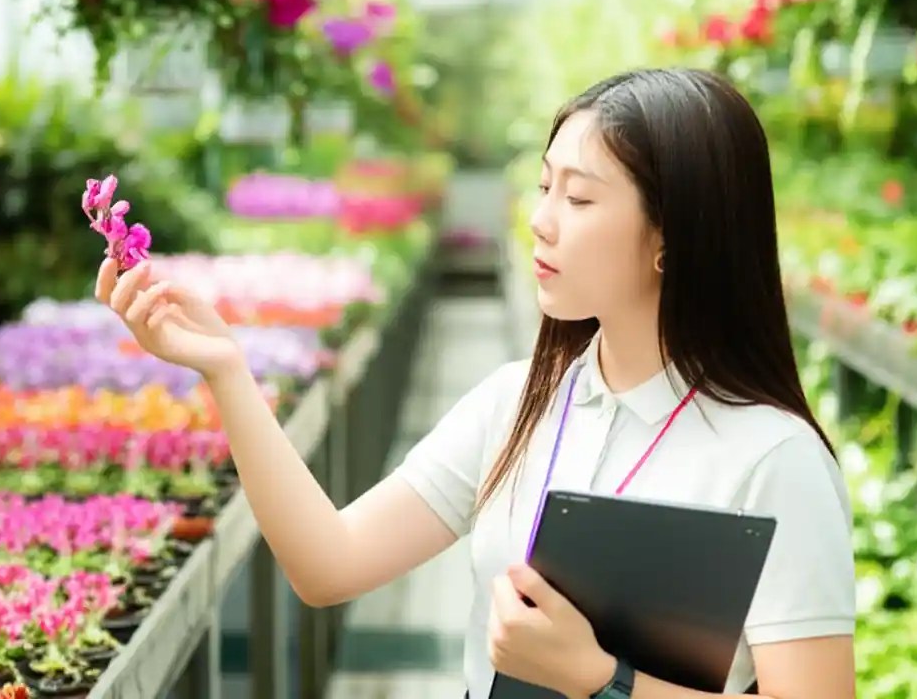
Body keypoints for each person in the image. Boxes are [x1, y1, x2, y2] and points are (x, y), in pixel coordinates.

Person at [95, 67, 856, 699]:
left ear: (673, 237)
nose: (542, 220)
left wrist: (602, 679)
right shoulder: (516, 402)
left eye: (580, 197)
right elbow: (327, 564)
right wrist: (227, 370)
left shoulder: (772, 459)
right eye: (545, 186)